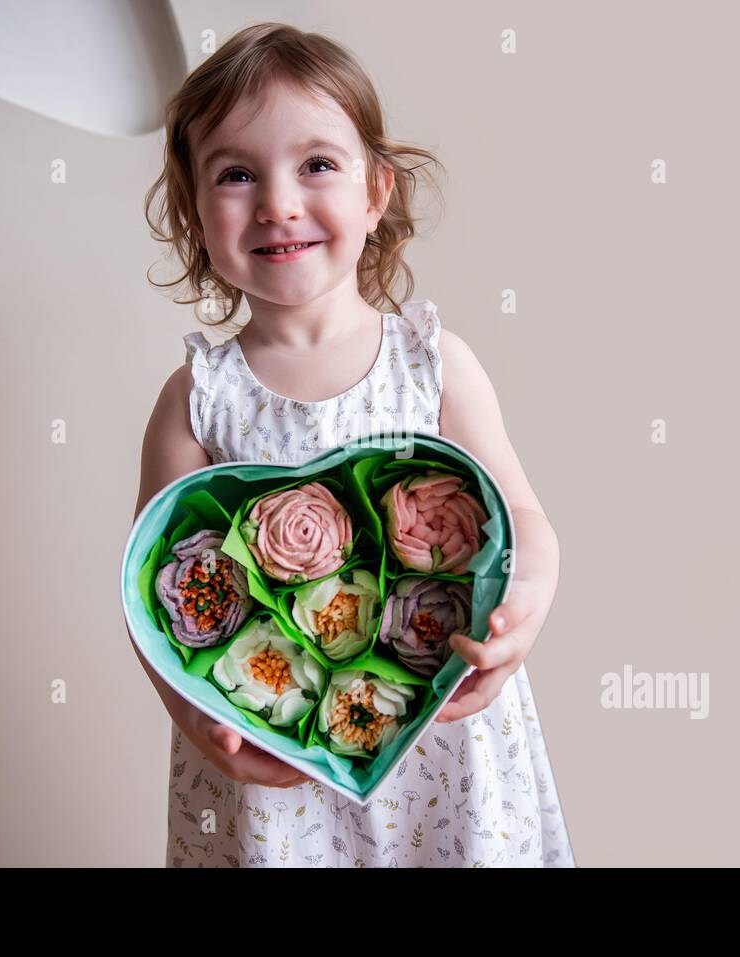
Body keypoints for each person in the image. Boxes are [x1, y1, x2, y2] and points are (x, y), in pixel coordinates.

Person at [133, 22, 576, 867]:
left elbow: (523, 517)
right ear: (195, 211)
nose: (278, 202)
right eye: (235, 174)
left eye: (317, 165)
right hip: (276, 756)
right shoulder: (196, 401)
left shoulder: (433, 364)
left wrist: (521, 615)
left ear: (376, 192)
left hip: (443, 745)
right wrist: (198, 717)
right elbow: (156, 604)